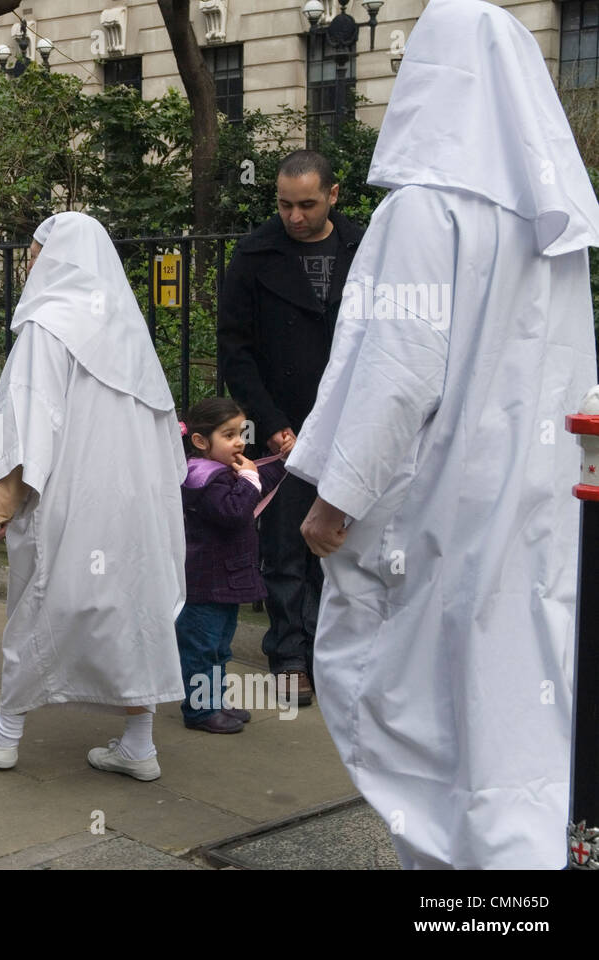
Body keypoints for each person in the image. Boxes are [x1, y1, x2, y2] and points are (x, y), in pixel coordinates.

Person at [288, 0, 599, 869]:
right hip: (535, 501)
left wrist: (334, 497)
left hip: (444, 510)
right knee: (515, 708)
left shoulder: (423, 213)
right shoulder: (549, 225)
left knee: (429, 706)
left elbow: (398, 372)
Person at [0, 211, 188, 782]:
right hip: (137, 503)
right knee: (132, 608)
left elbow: (29, 421)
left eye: (34, 256)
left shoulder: (49, 325)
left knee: (41, 599)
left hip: (73, 497)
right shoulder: (128, 334)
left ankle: (4, 733)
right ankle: (138, 743)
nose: (30, 267)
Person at [217, 149, 365, 705]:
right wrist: (272, 423)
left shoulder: (366, 248)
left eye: (306, 204)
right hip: (279, 422)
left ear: (332, 195)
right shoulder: (254, 254)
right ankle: (290, 657)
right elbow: (236, 349)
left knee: (345, 544)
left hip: (353, 424)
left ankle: (336, 652)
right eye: (284, 204)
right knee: (282, 546)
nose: (295, 216)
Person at [177, 397, 287, 734]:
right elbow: (235, 511)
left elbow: (254, 483)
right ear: (200, 441)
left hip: (222, 581)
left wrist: (283, 461)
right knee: (201, 649)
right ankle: (199, 711)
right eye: (229, 435)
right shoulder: (201, 479)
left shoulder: (223, 473)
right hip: (204, 583)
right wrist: (251, 480)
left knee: (220, 648)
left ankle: (214, 700)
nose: (239, 441)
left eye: (240, 433)